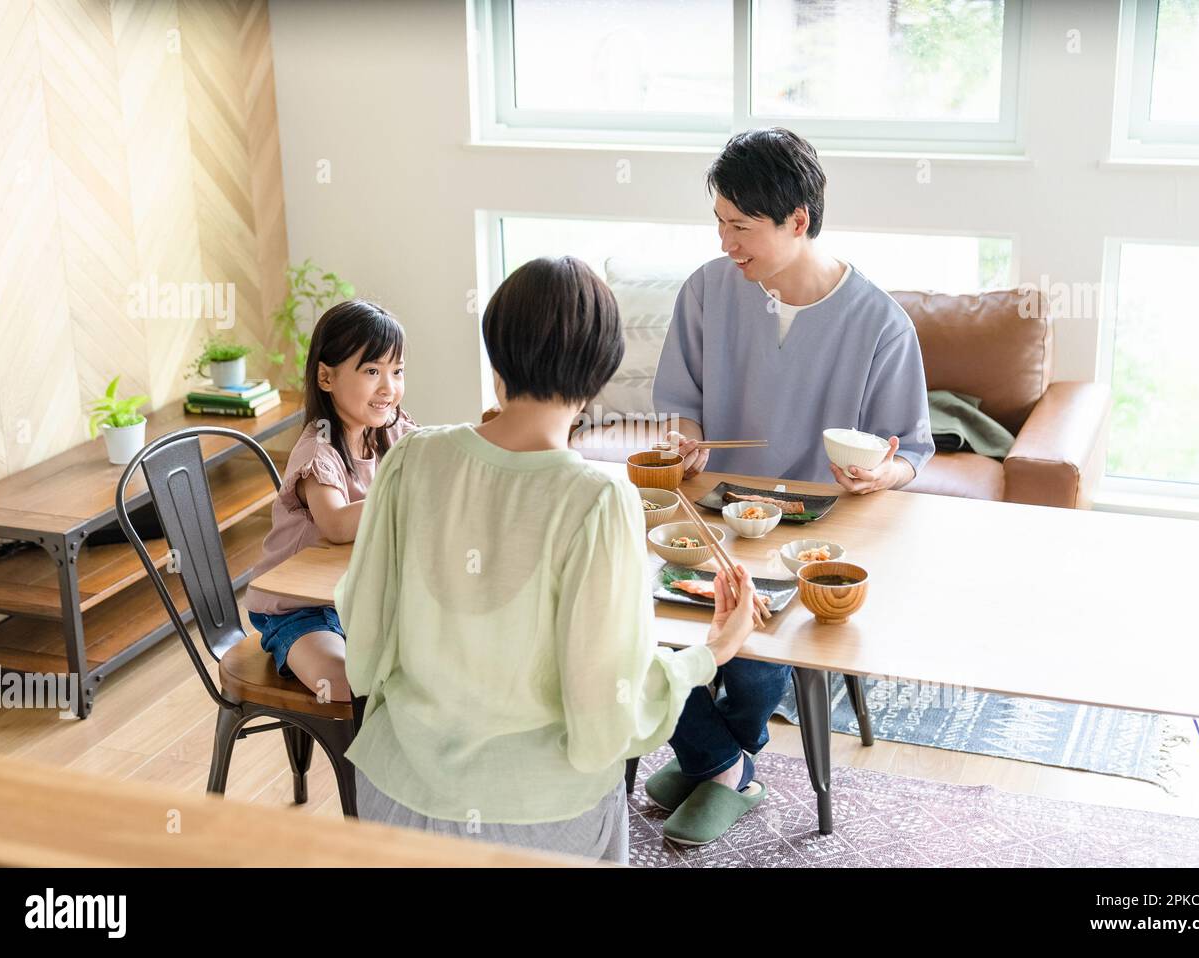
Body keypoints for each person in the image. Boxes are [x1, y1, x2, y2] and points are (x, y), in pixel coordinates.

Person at [335, 256, 758, 864]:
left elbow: (364, 652)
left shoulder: (410, 459)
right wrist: (710, 653)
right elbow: (604, 720)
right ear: (600, 373)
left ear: (496, 355)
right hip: (537, 821)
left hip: (397, 795)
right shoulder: (599, 499)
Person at [648, 127, 934, 845]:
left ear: (798, 221)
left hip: (809, 543)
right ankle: (724, 765)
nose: (724, 243)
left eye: (740, 227)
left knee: (751, 662)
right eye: (718, 223)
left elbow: (914, 452)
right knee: (632, 628)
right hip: (710, 527)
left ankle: (712, 762)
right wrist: (683, 444)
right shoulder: (708, 293)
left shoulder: (880, 325)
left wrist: (880, 472)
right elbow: (677, 403)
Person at [242, 300, 416, 702]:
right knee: (344, 684)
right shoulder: (317, 452)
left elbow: (433, 455)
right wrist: (399, 490)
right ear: (326, 377)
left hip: (359, 596)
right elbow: (336, 524)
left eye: (397, 371)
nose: (388, 387)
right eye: (372, 371)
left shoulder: (391, 431)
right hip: (298, 610)